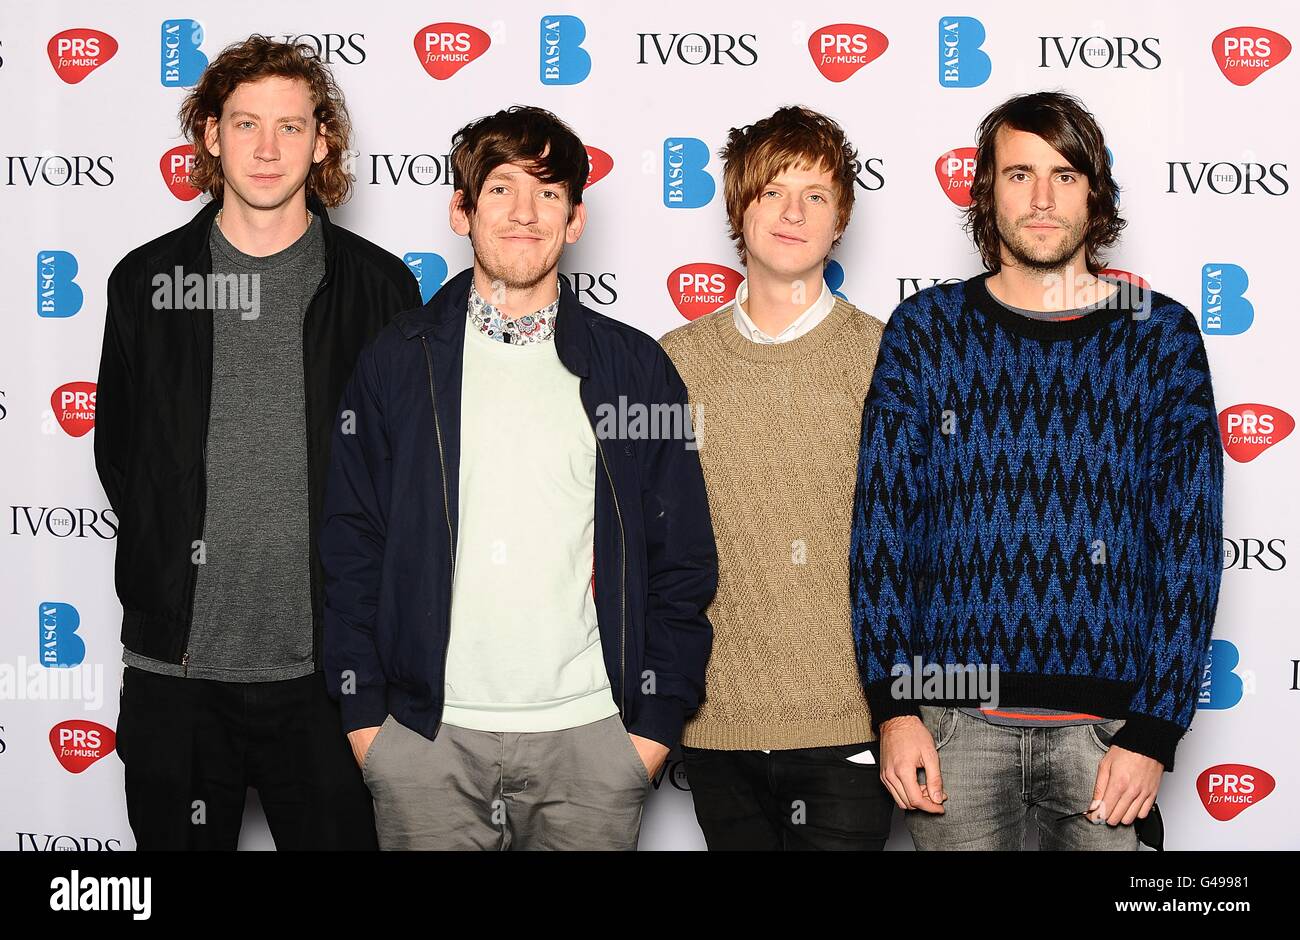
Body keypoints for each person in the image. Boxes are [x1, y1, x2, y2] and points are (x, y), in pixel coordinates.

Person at [320, 105, 717, 850]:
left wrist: (651, 732)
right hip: (422, 740)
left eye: (548, 192)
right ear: (461, 210)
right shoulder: (397, 363)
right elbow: (350, 549)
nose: (525, 213)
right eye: (501, 189)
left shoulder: (632, 369)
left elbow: (683, 560)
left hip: (593, 742)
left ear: (575, 220)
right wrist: (367, 725)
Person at [851, 91, 1223, 850]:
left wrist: (1155, 731)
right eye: (1020, 174)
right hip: (952, 728)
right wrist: (892, 710)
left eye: (1066, 174)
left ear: (1096, 193)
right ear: (987, 192)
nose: (1044, 197)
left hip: (1110, 737)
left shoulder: (1162, 338)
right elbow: (883, 529)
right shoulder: (925, 332)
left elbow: (1190, 544)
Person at [96, 35, 420, 850]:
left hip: (330, 675)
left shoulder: (381, 289)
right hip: (177, 676)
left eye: (290, 125)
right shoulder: (145, 281)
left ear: (323, 140)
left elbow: (403, 471)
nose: (268, 148)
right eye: (245, 124)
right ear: (210, 135)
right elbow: (122, 455)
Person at [660, 106, 893, 850]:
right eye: (772, 192)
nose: (793, 213)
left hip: (850, 728)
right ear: (740, 207)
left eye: (816, 195)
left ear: (840, 220)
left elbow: (919, 546)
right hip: (716, 723)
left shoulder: (888, 358)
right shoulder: (673, 362)